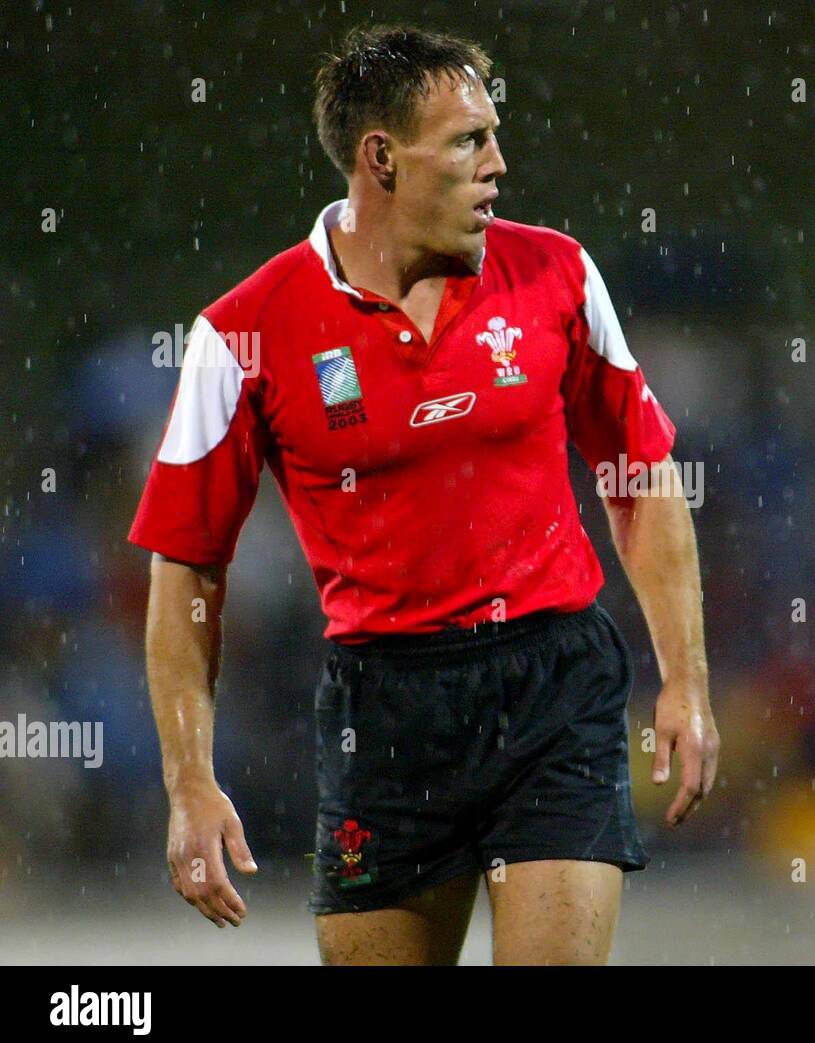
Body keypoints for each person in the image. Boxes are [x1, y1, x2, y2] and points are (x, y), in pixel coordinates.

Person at [127, 24, 719, 966]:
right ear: (381, 160)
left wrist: (684, 676)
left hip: (554, 682)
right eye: (468, 141)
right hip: (386, 707)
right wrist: (189, 779)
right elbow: (188, 564)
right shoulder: (241, 331)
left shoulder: (556, 271)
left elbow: (640, 476)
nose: (499, 163)